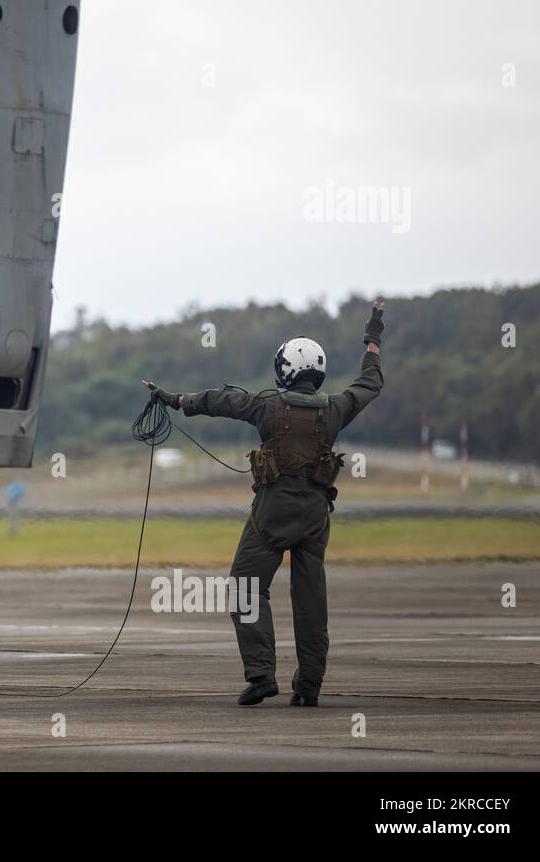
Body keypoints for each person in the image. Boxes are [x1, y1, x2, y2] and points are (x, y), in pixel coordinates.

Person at [142, 302, 386, 706]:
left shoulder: (266, 407)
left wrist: (174, 399)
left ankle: (261, 675)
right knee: (311, 602)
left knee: (244, 586)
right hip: (315, 516)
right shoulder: (337, 409)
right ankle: (309, 687)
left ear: (285, 370)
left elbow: (218, 402)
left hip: (272, 513)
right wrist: (373, 333)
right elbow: (370, 382)